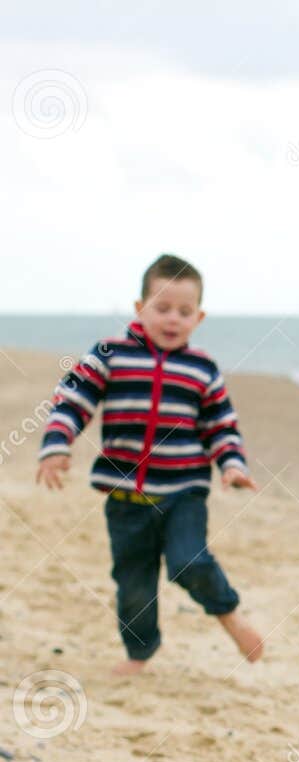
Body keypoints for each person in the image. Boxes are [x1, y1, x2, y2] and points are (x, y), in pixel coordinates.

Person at [35, 254, 263, 674]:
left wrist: (232, 465)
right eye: (162, 308)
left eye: (184, 311)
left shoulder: (202, 369)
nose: (173, 318)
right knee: (133, 585)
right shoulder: (111, 354)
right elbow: (72, 400)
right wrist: (56, 444)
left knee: (190, 561)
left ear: (199, 317)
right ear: (140, 308)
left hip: (183, 493)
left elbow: (221, 426)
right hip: (126, 499)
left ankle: (229, 614)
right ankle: (139, 654)